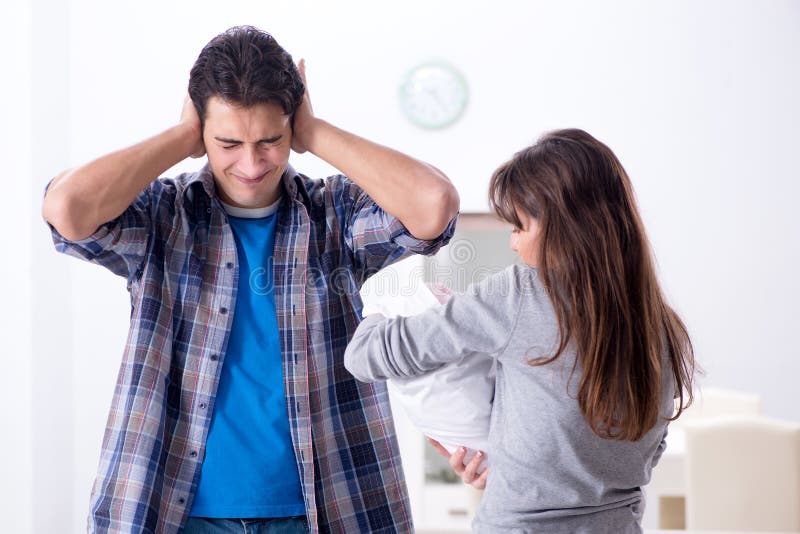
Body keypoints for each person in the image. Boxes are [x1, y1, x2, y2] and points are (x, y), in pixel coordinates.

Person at [43, 26, 459, 534]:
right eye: (227, 142)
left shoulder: (335, 215)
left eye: (270, 140)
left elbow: (433, 207)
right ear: (201, 131)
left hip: (327, 507)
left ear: (292, 128)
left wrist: (315, 130)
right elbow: (67, 209)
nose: (250, 163)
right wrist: (180, 137)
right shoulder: (163, 217)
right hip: (171, 509)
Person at [345, 128, 696, 533]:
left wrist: (376, 306)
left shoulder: (521, 294)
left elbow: (365, 357)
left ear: (563, 226)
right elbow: (645, 454)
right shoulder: (663, 326)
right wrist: (516, 470)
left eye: (518, 227)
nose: (513, 244)